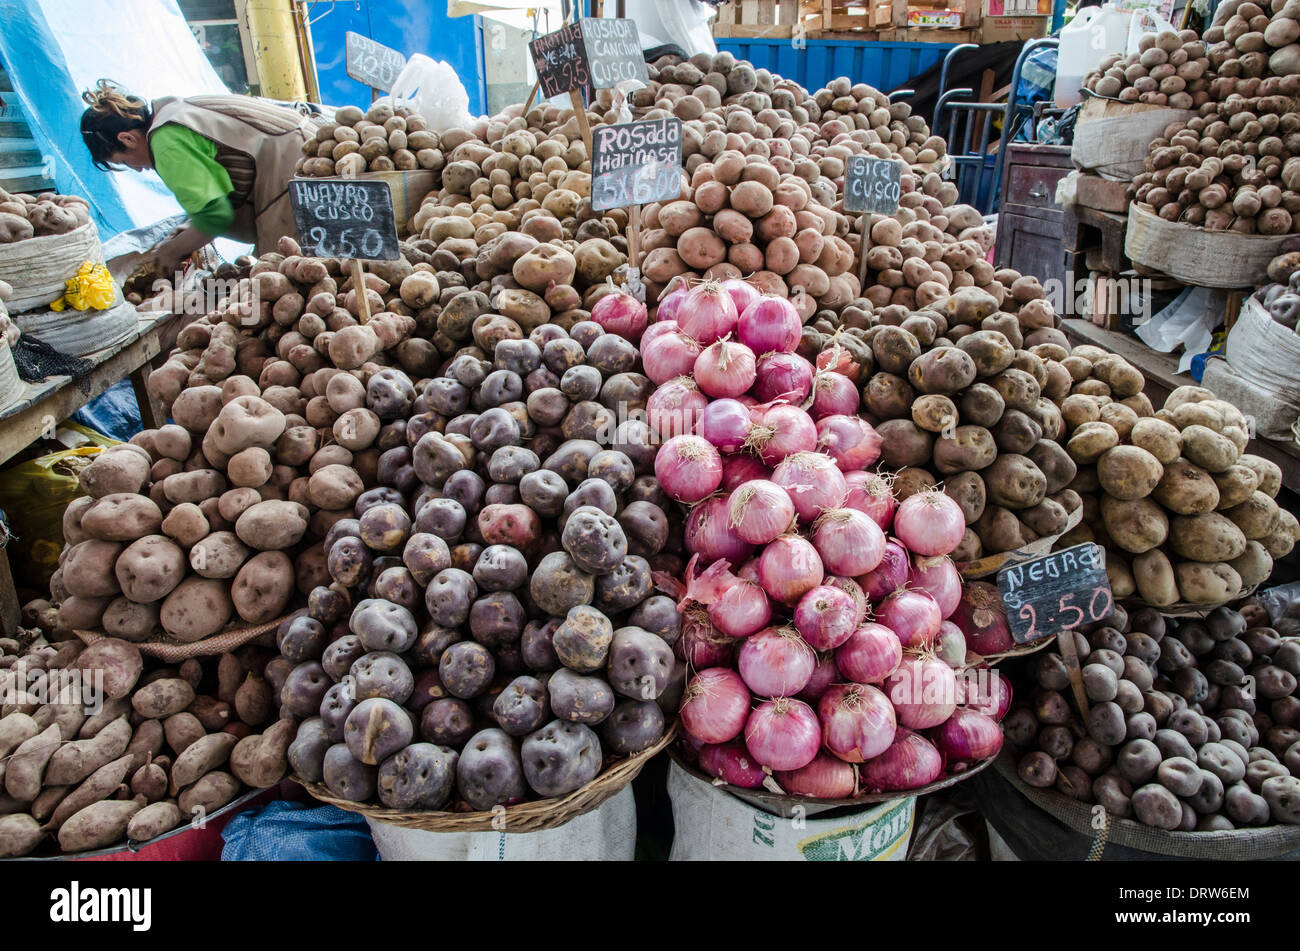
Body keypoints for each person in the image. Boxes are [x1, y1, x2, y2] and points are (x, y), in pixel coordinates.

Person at [79, 81, 311, 266]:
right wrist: (190, 228)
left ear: (127, 139)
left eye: (124, 161)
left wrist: (171, 251)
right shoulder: (175, 111)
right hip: (310, 151)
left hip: (294, 178)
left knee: (289, 276)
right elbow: (217, 187)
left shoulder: (164, 141)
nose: (138, 169)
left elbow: (216, 216)